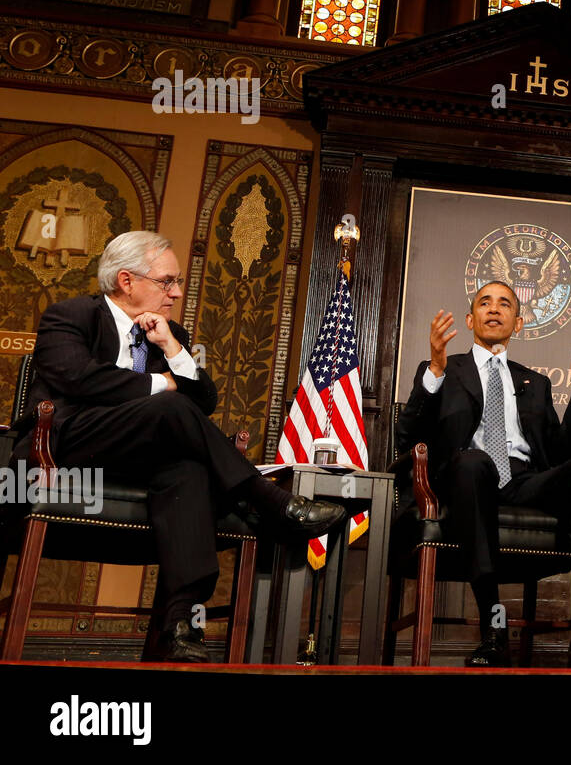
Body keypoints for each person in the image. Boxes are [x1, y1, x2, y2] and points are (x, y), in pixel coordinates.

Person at [11, 231, 347, 662]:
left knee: (188, 468)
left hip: (138, 456)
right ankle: (266, 498)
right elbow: (80, 379)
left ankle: (179, 624)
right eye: (167, 281)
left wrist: (171, 347)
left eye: (178, 282)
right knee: (169, 406)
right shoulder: (71, 315)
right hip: (69, 446)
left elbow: (203, 402)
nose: (176, 292)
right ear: (127, 281)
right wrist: (162, 383)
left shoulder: (168, 332)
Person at [394, 281, 571, 668]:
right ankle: (493, 628)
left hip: (523, 481)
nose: (494, 309)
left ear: (518, 322)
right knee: (474, 463)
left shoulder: (535, 382)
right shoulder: (444, 370)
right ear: (470, 319)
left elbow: (560, 453)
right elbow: (408, 437)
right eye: (485, 303)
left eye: (504, 304)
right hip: (467, 481)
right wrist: (435, 369)